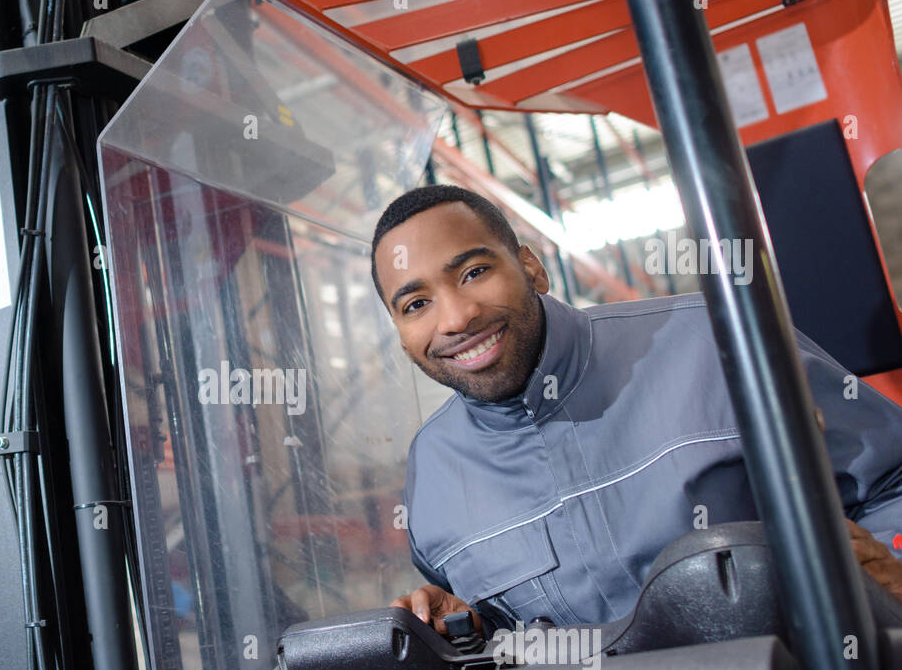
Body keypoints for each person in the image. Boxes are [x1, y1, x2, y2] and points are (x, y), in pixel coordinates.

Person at [371, 185, 902, 637]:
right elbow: (505, 640)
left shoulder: (715, 343)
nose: (457, 317)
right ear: (399, 333)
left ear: (530, 266)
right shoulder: (432, 475)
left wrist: (890, 563)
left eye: (474, 272)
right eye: (416, 304)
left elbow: (890, 480)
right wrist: (470, 628)